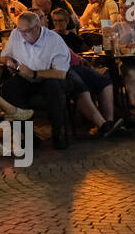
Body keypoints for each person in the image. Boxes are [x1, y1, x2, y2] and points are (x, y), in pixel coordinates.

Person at [0, 12, 73, 149]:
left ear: (37, 27)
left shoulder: (53, 40)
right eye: (20, 31)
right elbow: (3, 57)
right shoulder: (16, 34)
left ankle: (58, 133)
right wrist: (9, 61)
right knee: (9, 88)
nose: (23, 35)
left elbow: (61, 73)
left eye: (27, 31)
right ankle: (29, 136)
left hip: (48, 77)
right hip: (25, 77)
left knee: (53, 88)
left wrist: (34, 73)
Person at [50, 8, 121, 137]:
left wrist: (88, 57)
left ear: (66, 22)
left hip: (79, 65)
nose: (57, 24)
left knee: (106, 79)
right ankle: (103, 124)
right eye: (55, 21)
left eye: (60, 21)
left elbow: (85, 50)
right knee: (81, 86)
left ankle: (110, 122)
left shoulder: (71, 36)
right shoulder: (52, 36)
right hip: (65, 69)